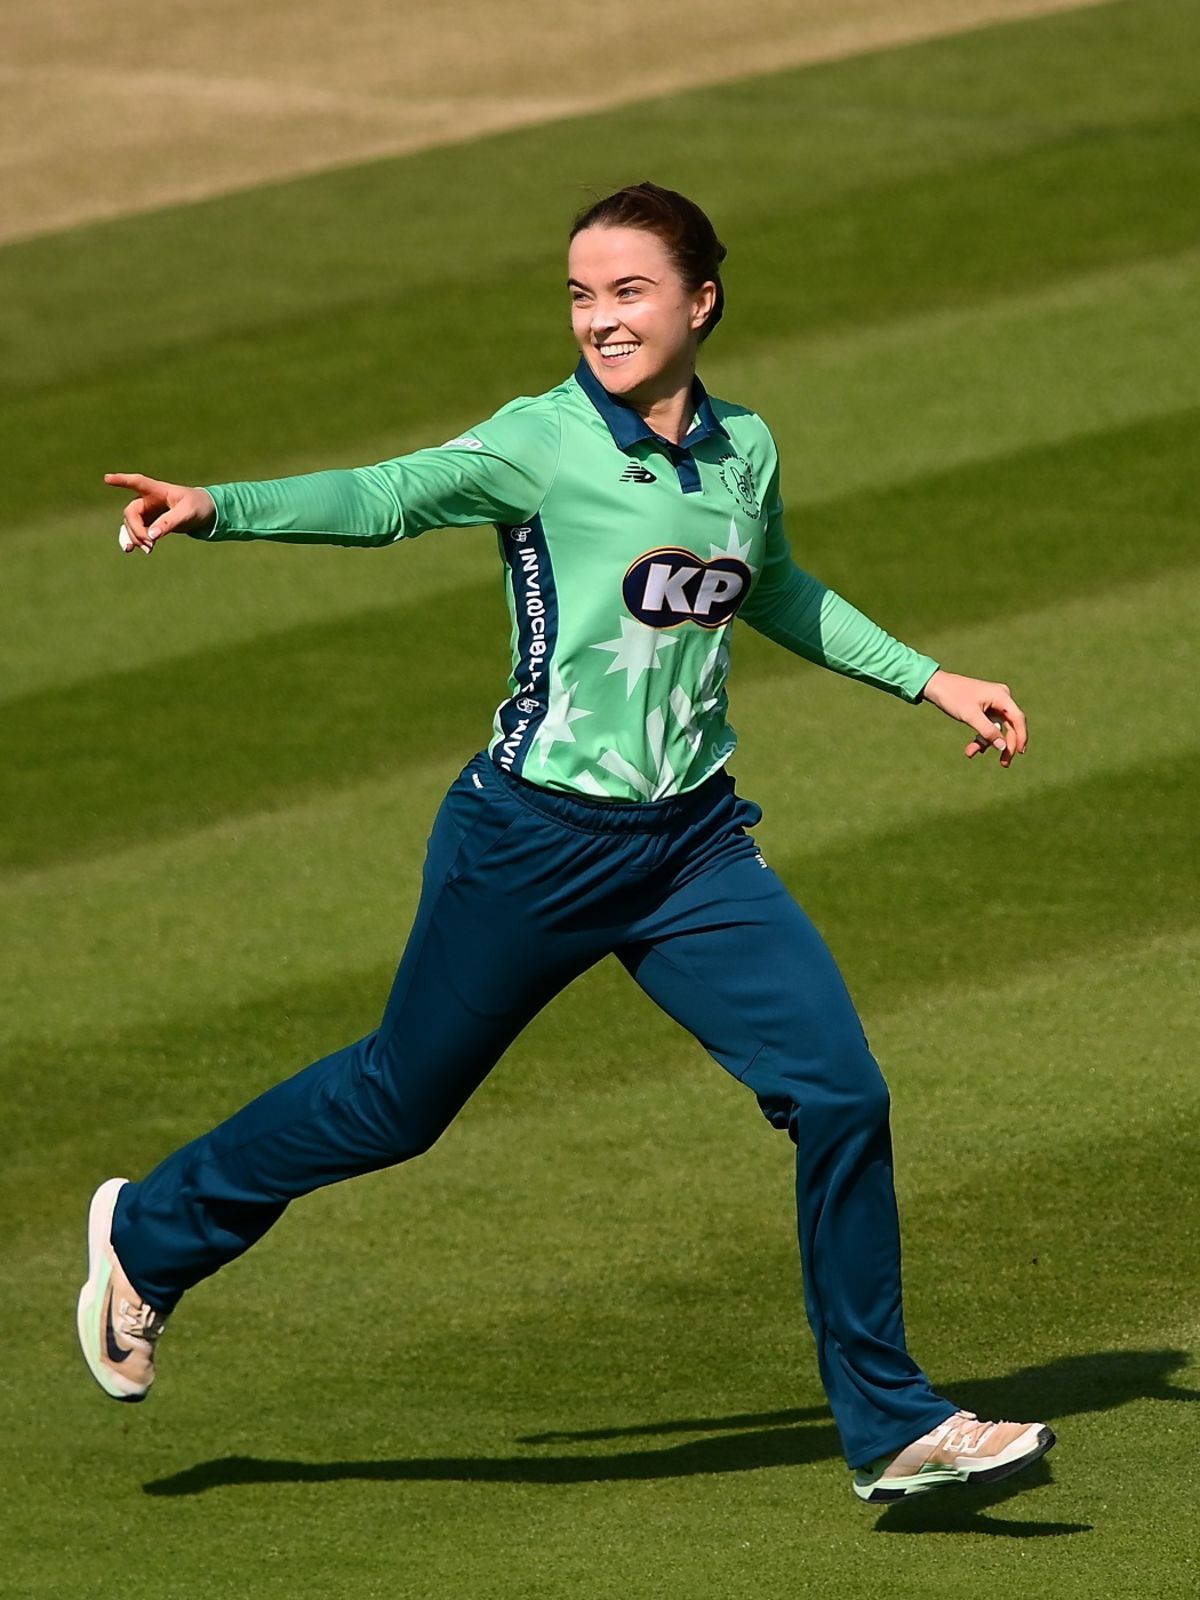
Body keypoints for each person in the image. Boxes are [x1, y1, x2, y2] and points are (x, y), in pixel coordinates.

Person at [79, 181, 1053, 1503]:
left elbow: (770, 585)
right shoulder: (542, 442)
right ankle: (149, 1233)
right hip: (530, 842)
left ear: (702, 300)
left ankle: (892, 1424)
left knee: (839, 1094)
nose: (601, 318)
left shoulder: (742, 449)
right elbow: (391, 494)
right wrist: (223, 504)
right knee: (395, 1102)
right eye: (584, 295)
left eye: (629, 291)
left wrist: (928, 677)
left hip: (694, 849)